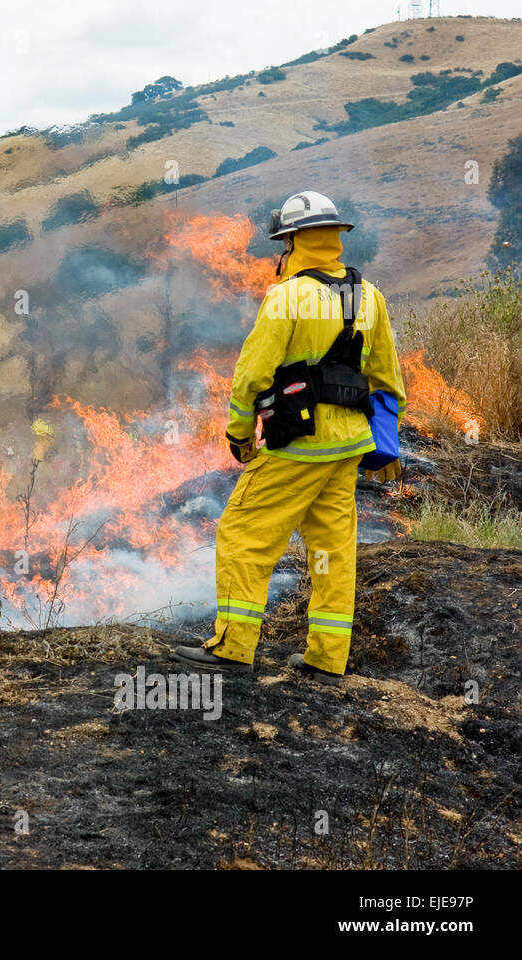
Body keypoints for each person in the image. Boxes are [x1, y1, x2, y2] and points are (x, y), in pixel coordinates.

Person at [172, 191, 406, 686]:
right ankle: (327, 659)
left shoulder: (286, 297)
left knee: (243, 535)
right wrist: (390, 444)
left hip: (297, 445)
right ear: (335, 237)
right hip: (348, 448)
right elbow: (388, 379)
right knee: (332, 551)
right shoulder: (371, 296)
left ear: (294, 241)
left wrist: (240, 434)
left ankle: (233, 647)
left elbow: (251, 376)